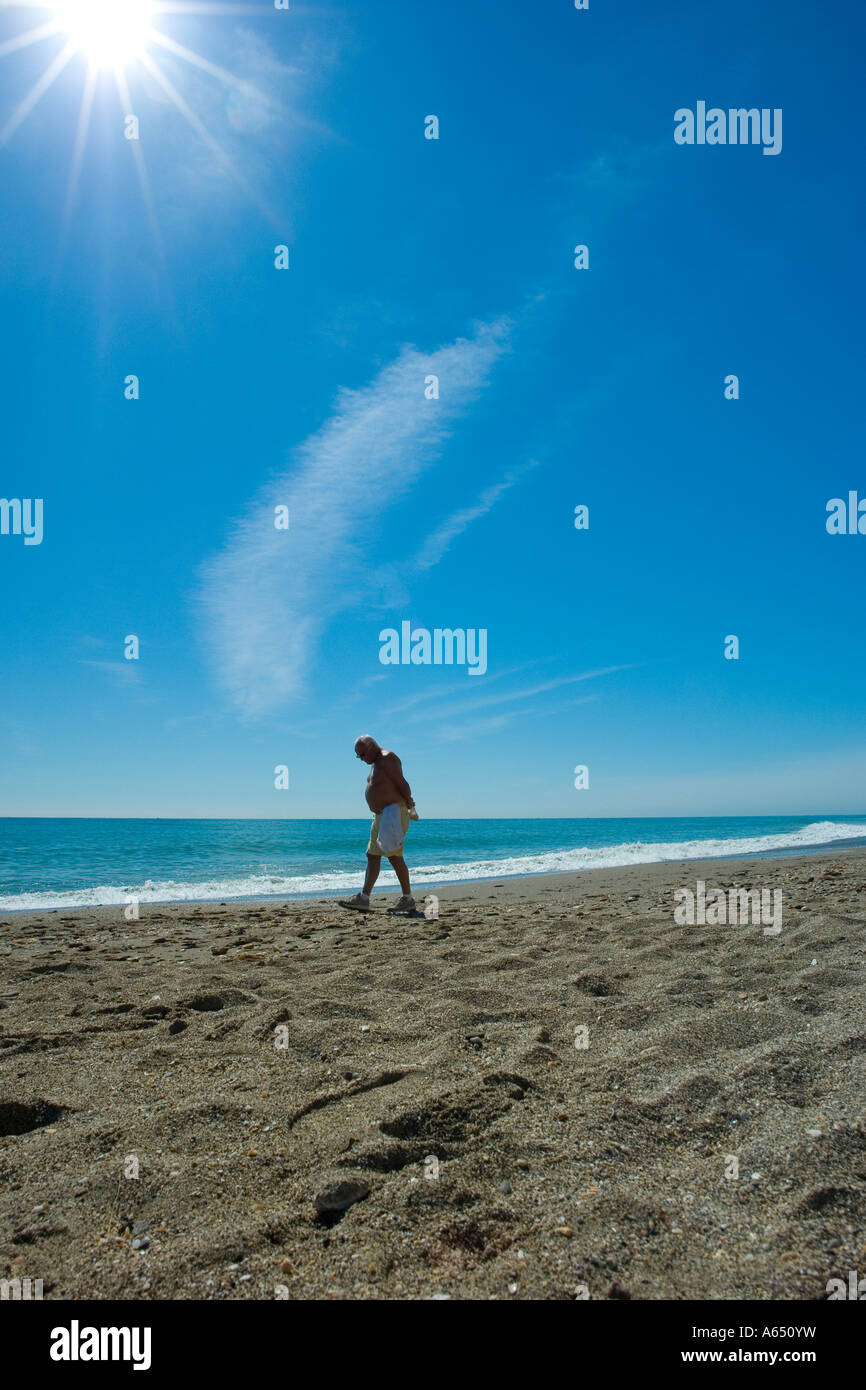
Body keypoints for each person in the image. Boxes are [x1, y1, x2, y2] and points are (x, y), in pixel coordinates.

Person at [339, 736, 418, 913]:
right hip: (381, 815)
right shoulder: (375, 763)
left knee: (394, 856)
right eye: (358, 757)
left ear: (373, 746)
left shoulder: (387, 758)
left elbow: (402, 783)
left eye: (363, 754)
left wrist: (410, 804)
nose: (362, 759)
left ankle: (408, 898)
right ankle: (364, 898)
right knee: (372, 855)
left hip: (393, 812)